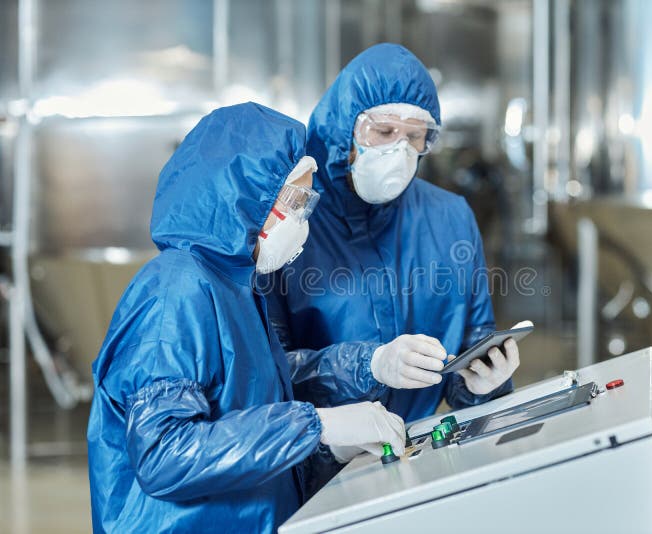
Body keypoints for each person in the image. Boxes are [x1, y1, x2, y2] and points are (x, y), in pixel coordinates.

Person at [87, 102, 405, 534]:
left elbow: (257, 391)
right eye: (295, 201)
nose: (301, 219)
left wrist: (367, 370)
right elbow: (164, 453)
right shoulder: (175, 289)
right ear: (245, 195)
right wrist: (318, 426)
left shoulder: (236, 282)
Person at [267, 43, 525, 425]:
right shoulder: (291, 221)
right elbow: (266, 377)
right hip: (318, 465)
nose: (399, 150)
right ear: (343, 129)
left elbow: (470, 342)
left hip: (416, 447)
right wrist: (368, 366)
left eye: (415, 136)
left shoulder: (449, 217)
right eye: (384, 131)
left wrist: (482, 384)